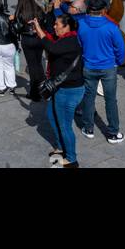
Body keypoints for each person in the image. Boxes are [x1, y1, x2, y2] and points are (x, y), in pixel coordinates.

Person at [32, 12, 85, 168]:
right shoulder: (63, 38)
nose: (54, 26)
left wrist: (38, 29)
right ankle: (61, 147)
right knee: (51, 115)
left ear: (66, 26)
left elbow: (50, 47)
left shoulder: (70, 41)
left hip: (69, 90)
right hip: (59, 88)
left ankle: (71, 159)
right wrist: (39, 26)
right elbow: (50, 41)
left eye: (57, 24)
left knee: (64, 125)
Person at [75, 0, 125, 142]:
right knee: (110, 99)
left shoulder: (82, 24)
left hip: (89, 66)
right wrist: (119, 61)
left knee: (89, 98)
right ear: (104, 10)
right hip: (108, 66)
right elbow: (120, 48)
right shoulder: (111, 27)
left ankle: (88, 127)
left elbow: (80, 44)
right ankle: (113, 132)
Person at [14, 0, 45, 100]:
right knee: (38, 64)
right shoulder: (38, 9)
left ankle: (34, 93)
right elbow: (44, 21)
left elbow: (16, 27)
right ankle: (44, 89)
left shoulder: (20, 11)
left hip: (27, 39)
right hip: (39, 38)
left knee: (32, 66)